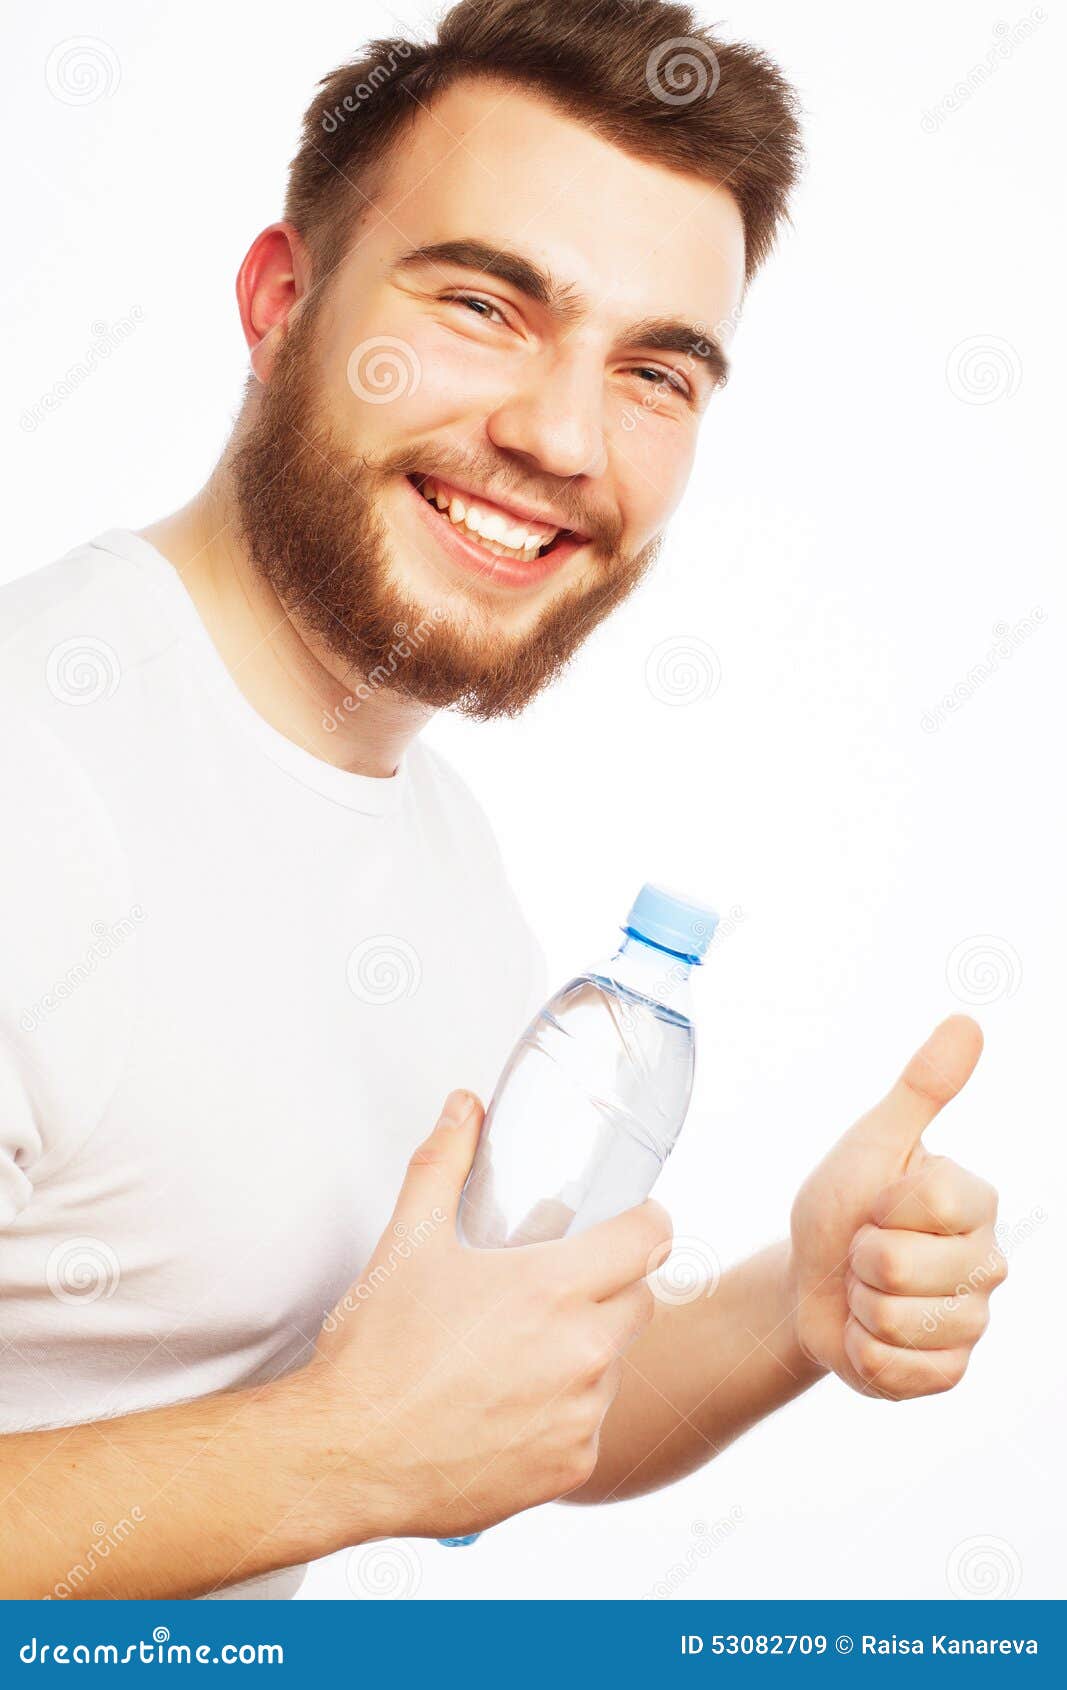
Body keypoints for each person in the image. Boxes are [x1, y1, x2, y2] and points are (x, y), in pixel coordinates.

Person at [0, 0, 1005, 1600]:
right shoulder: (35, 793)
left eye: (654, 373)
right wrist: (341, 1450)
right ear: (279, 299)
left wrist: (794, 1304)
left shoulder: (436, 848)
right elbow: (383, 1433)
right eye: (483, 303)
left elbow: (473, 1406)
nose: (557, 436)